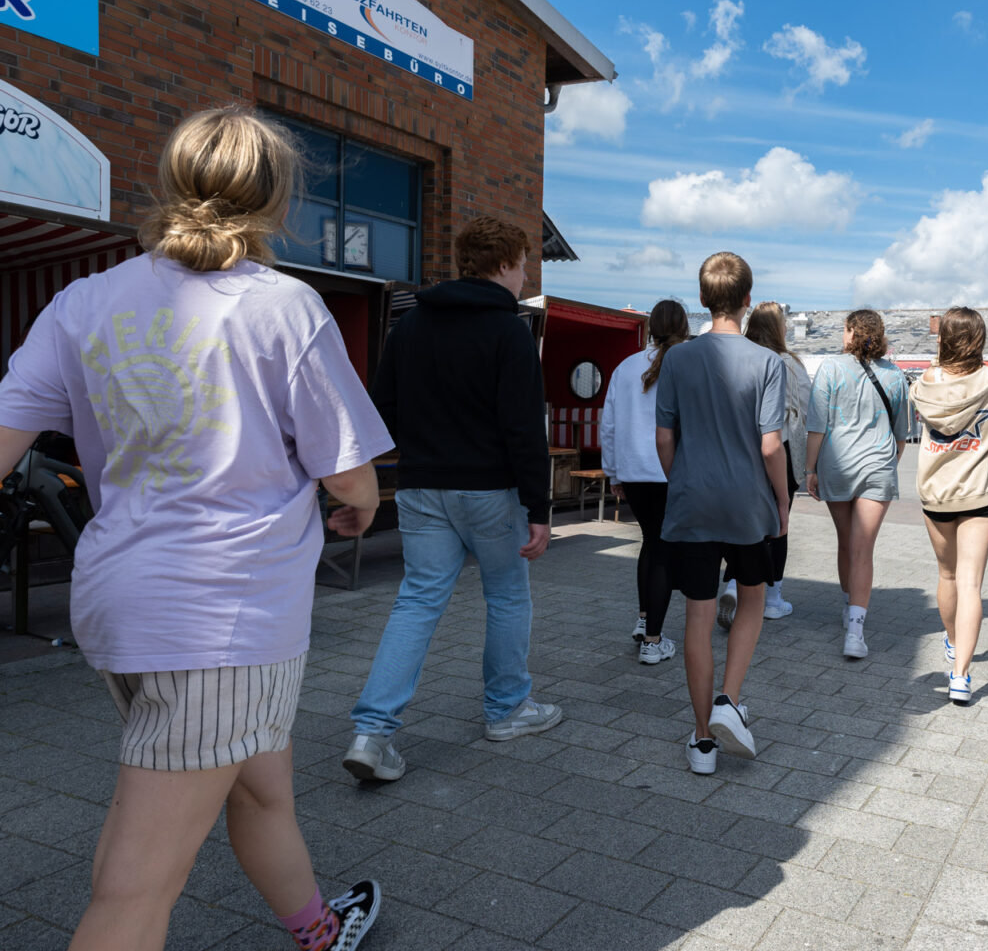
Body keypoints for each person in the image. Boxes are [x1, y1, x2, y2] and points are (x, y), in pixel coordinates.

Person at [0, 107, 391, 951]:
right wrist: (358, 503)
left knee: (259, 788)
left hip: (119, 601)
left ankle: (318, 928)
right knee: (134, 890)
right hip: (225, 619)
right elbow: (350, 473)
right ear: (277, 201)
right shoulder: (286, 307)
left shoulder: (81, 302)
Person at [345, 216, 559, 782]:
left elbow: (380, 413)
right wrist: (539, 509)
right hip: (491, 490)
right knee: (507, 596)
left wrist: (360, 480)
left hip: (420, 486)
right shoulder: (509, 332)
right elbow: (523, 430)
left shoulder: (409, 327)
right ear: (506, 264)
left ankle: (372, 732)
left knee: (416, 602)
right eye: (522, 265)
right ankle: (508, 709)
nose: (523, 276)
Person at [655, 252, 789, 775]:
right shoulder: (767, 362)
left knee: (698, 613)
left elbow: (665, 437)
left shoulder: (678, 359)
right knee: (752, 598)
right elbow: (772, 445)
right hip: (747, 502)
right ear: (748, 299)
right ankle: (729, 701)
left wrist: (680, 478)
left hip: (693, 498)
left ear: (704, 299)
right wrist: (781, 500)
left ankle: (703, 740)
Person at [909, 308, 988, 705]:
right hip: (980, 489)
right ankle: (960, 676)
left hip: (936, 491)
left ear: (944, 340)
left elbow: (930, 392)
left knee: (947, 575)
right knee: (971, 583)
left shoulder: (926, 383)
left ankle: (953, 642)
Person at [806, 310, 911, 659]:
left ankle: (849, 606)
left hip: (837, 464)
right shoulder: (895, 376)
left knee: (846, 542)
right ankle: (855, 630)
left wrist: (810, 468)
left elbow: (817, 426)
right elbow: (901, 436)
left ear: (852, 332)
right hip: (878, 466)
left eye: (845, 329)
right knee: (863, 547)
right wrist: (886, 465)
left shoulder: (830, 368)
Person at [601, 299, 689, 664]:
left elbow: (608, 424)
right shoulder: (686, 366)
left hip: (634, 471)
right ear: (684, 328)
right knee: (663, 549)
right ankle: (653, 641)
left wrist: (613, 472)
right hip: (671, 471)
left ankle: (643, 620)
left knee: (650, 544)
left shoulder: (625, 367)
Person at [718, 301, 812, 625]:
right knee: (779, 523)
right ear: (779, 328)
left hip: (742, 448)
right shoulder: (790, 363)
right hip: (781, 448)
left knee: (746, 521)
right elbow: (807, 406)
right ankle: (773, 598)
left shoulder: (738, 357)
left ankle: (732, 581)